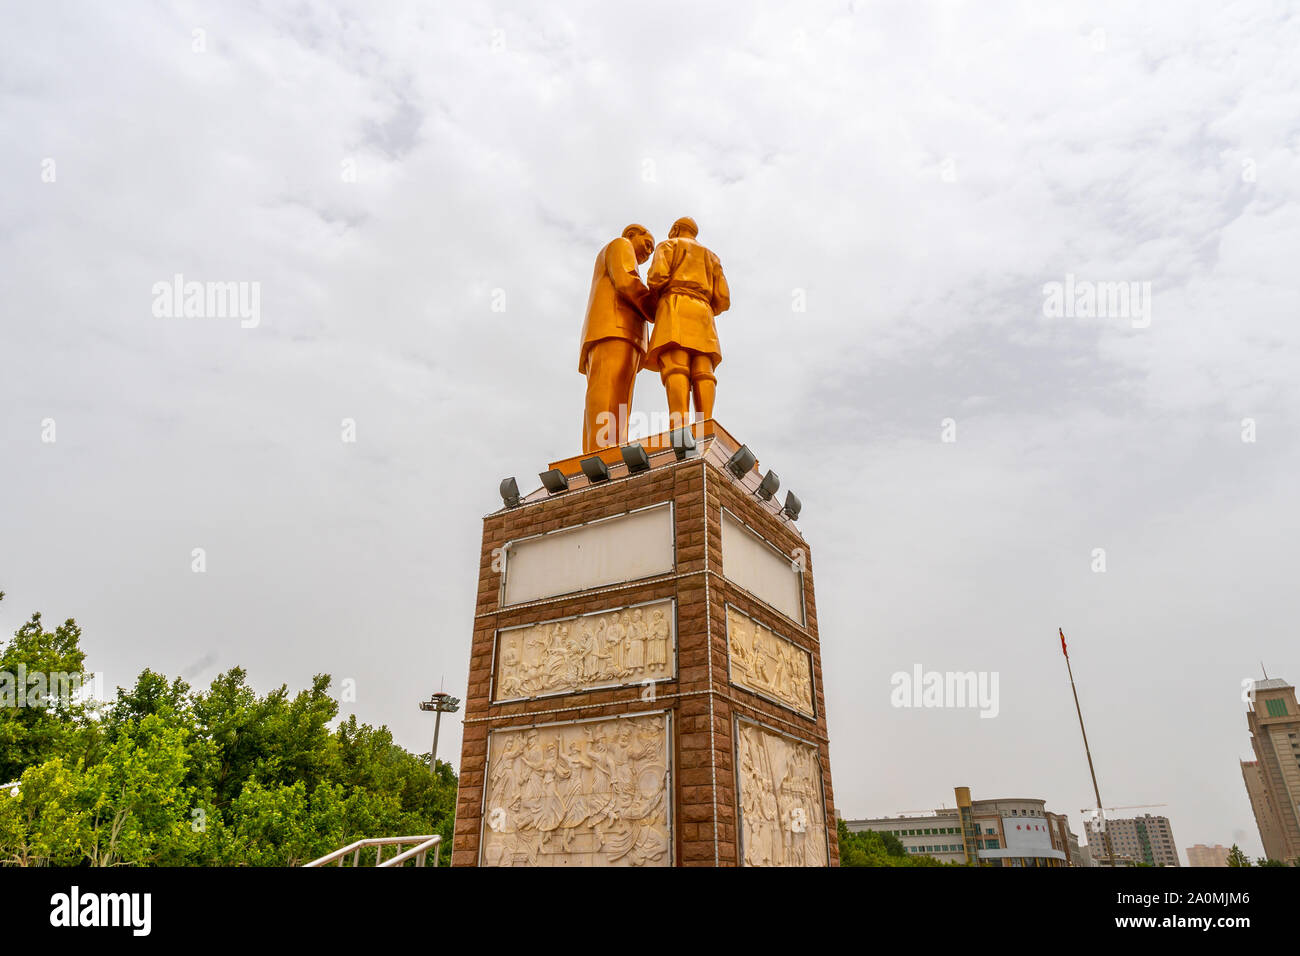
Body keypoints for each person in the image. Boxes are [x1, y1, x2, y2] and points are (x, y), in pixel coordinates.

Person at [642, 217, 730, 429]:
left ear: (675, 229)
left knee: (676, 367)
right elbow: (724, 299)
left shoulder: (669, 245)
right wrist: (707, 305)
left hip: (675, 305)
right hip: (703, 313)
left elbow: (656, 278)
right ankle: (705, 425)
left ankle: (679, 427)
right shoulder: (712, 257)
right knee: (704, 371)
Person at [578, 224, 655, 452]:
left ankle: (611, 448)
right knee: (608, 391)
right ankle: (600, 450)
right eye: (647, 244)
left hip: (625, 334)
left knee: (620, 399)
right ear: (632, 234)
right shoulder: (621, 245)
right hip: (613, 329)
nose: (649, 253)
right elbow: (626, 281)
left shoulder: (622, 252)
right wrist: (656, 306)